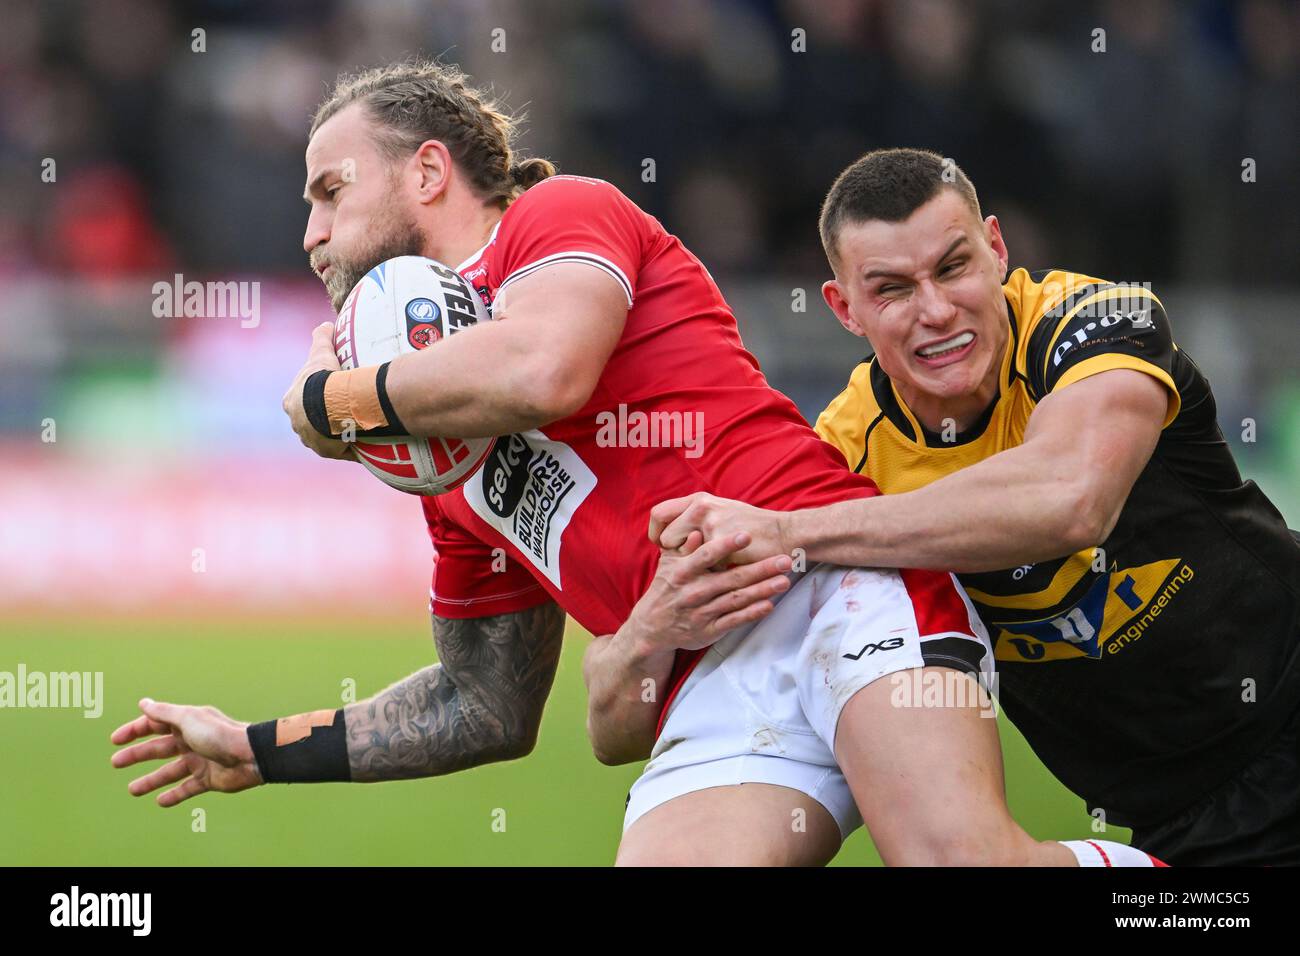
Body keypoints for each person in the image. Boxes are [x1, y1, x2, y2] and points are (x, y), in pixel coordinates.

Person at [110, 64, 1143, 867]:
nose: (313, 230)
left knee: (958, 859)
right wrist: (255, 747)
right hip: (705, 674)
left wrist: (328, 399)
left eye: (331, 190)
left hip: (838, 582)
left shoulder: (556, 220)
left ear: (428, 171)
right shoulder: (448, 464)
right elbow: (484, 706)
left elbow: (545, 368)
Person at [649, 148, 1300, 866]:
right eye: (892, 289)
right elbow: (678, 682)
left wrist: (792, 531)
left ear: (996, 249)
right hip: (1185, 827)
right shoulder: (842, 454)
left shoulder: (1096, 320)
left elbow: (1069, 500)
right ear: (844, 308)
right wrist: (627, 649)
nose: (935, 311)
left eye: (953, 267)